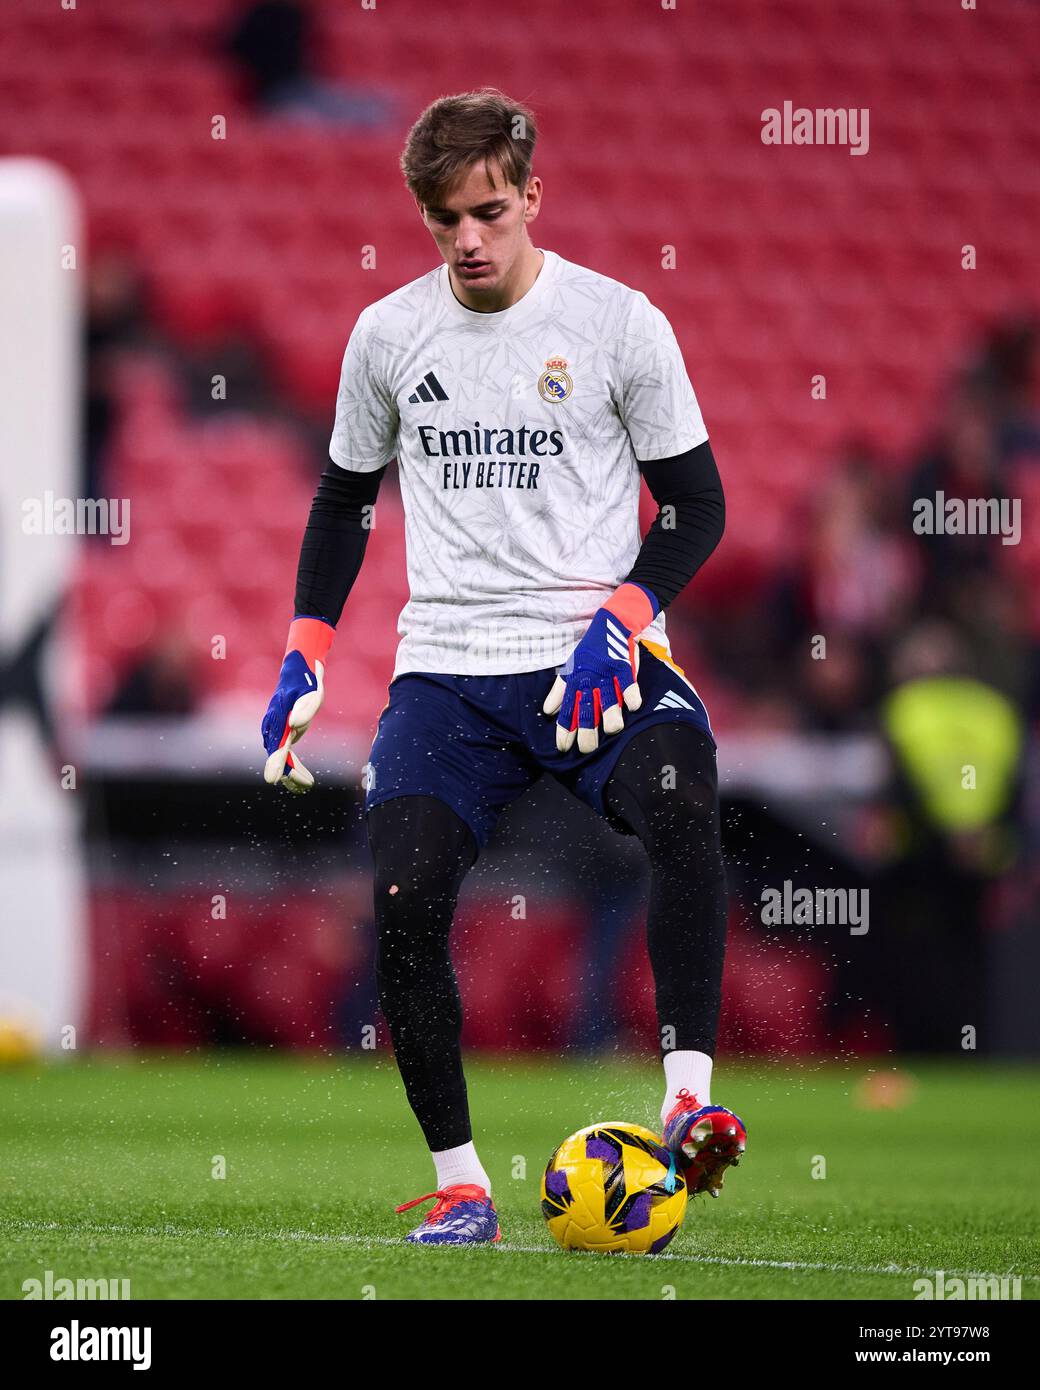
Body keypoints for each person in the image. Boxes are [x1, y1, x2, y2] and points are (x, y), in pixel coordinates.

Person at [261, 88, 746, 1245]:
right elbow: (341, 500)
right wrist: (303, 649)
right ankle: (463, 1183)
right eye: (442, 221)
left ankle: (684, 1104)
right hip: (449, 668)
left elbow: (696, 506)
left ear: (532, 194)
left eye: (486, 211)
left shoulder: (620, 324)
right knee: (403, 888)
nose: (466, 239)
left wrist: (622, 615)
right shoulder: (388, 336)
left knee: (681, 795)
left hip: (591, 646)